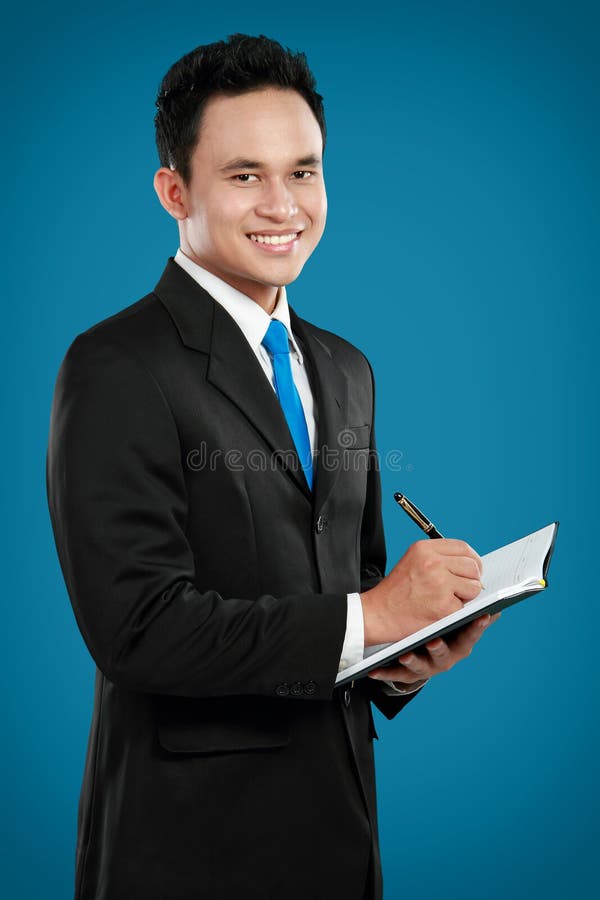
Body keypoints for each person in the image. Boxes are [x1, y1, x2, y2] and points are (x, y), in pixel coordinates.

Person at [46, 33, 495, 900]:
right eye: (245, 175)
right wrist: (368, 617)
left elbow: (350, 585)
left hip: (341, 836)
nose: (284, 204)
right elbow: (137, 629)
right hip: (186, 851)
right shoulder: (114, 364)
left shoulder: (345, 367)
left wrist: (404, 649)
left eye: (305, 171)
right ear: (174, 191)